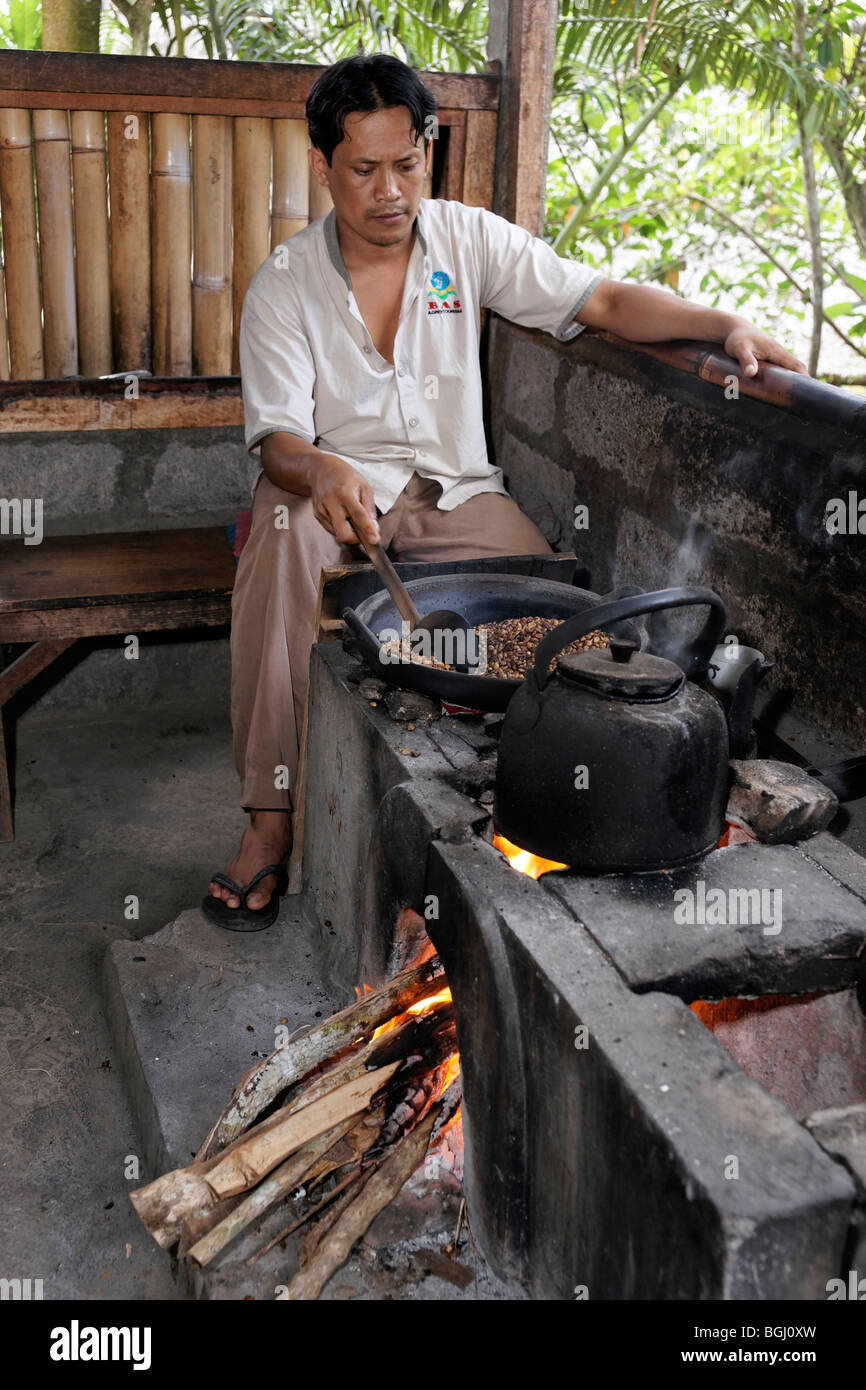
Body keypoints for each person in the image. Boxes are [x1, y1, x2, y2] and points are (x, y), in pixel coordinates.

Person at [202, 53, 807, 930]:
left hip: (456, 493)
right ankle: (269, 819)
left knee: (558, 611)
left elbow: (600, 301)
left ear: (429, 155)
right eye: (363, 169)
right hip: (330, 495)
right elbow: (281, 441)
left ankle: (523, 798)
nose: (389, 191)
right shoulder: (285, 286)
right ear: (323, 165)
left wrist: (723, 324)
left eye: (406, 164)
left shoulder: (468, 240)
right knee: (282, 548)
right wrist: (322, 467)